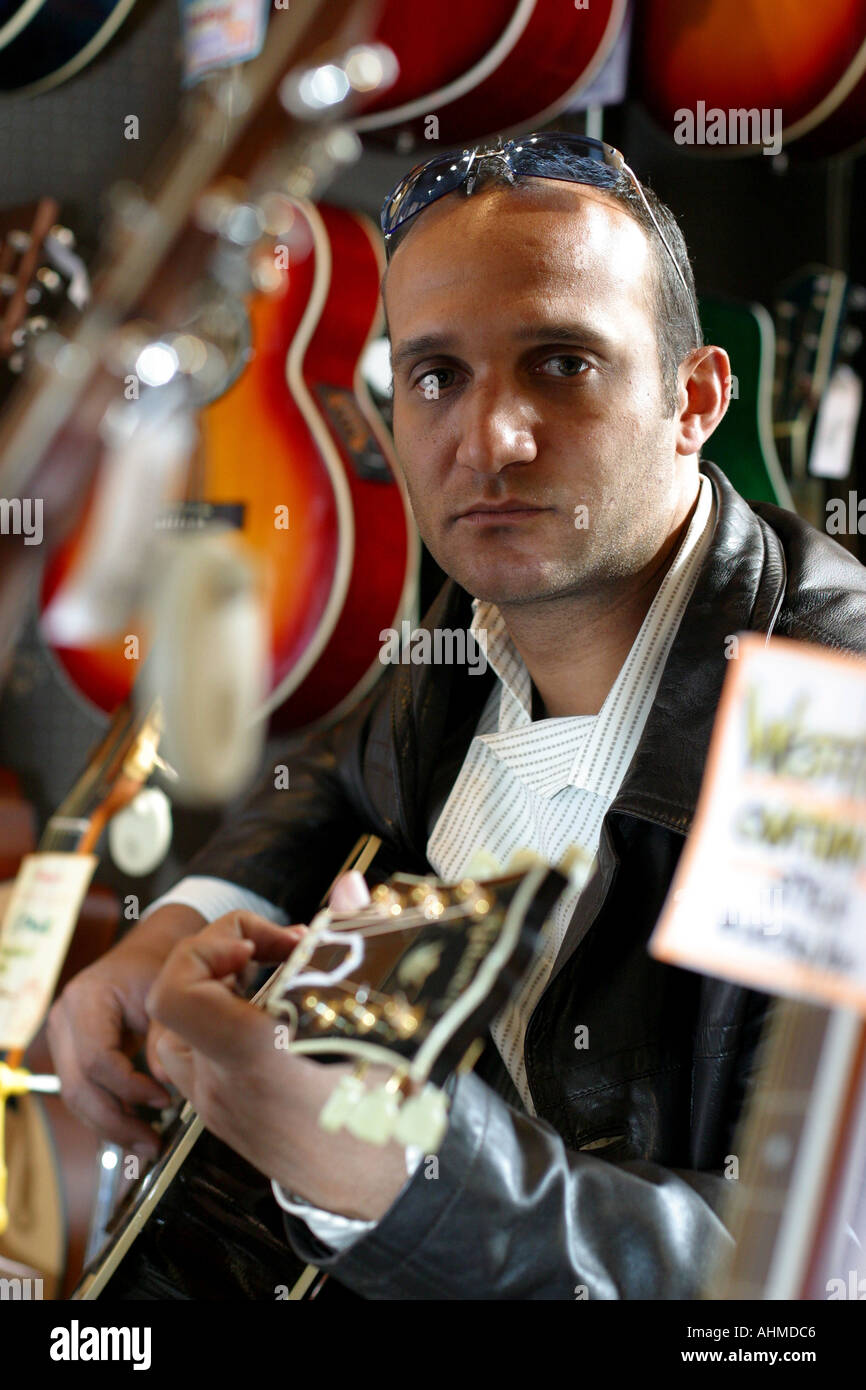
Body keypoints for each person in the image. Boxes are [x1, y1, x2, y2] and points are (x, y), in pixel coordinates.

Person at [47, 132, 866, 1299]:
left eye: (561, 364)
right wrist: (171, 926)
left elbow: (798, 1279)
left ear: (692, 401)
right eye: (436, 375)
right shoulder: (480, 622)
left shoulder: (825, 724)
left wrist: (395, 1181)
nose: (489, 441)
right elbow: (347, 766)